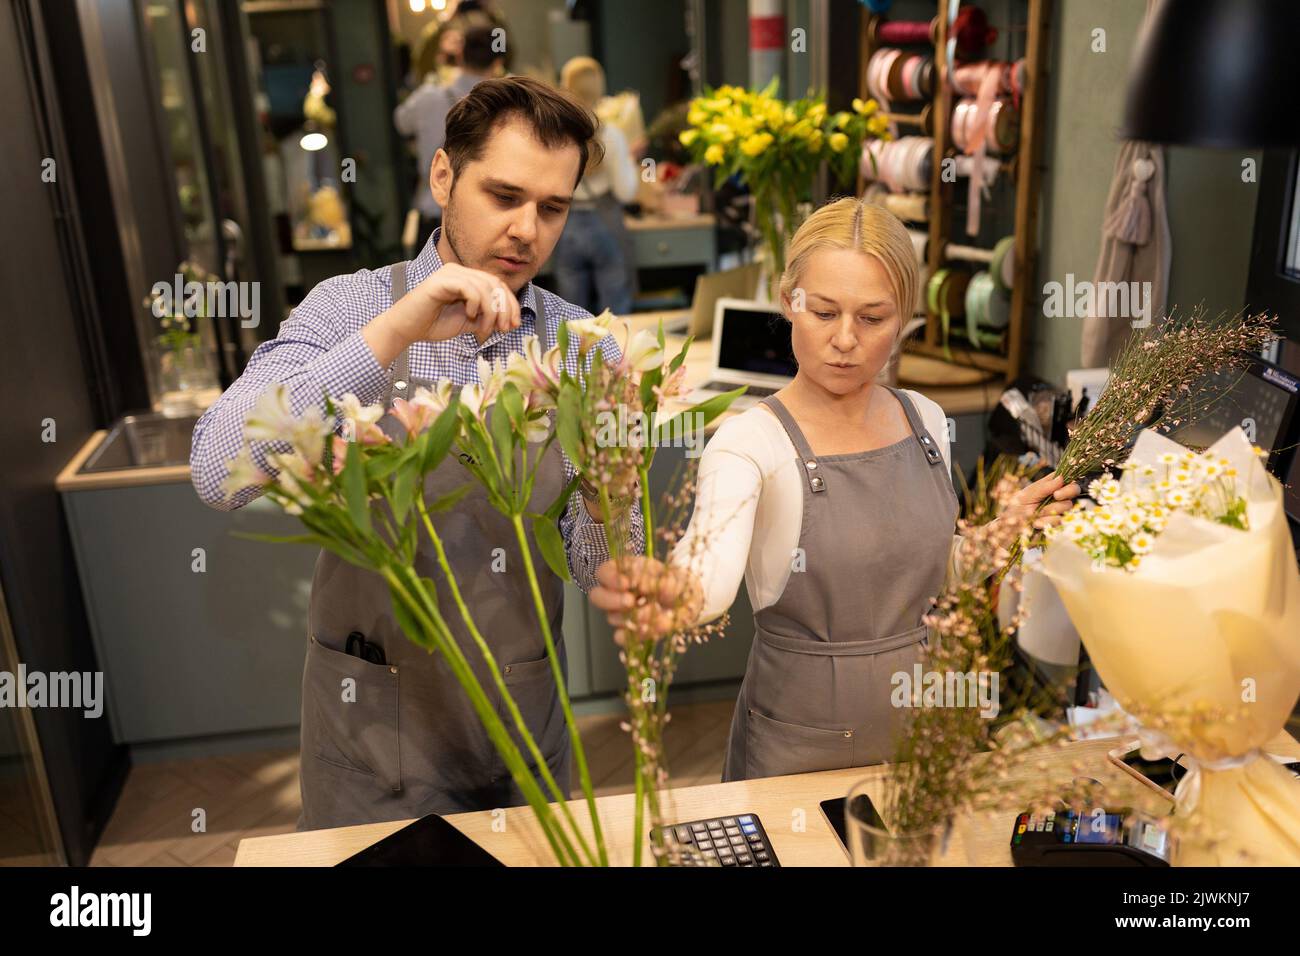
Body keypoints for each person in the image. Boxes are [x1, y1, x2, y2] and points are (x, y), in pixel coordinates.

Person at [191, 76, 643, 830]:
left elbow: (597, 561)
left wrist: (613, 506)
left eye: (552, 207)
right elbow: (217, 472)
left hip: (521, 724)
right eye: (504, 196)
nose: (528, 230)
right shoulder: (349, 308)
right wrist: (392, 335)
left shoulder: (578, 346)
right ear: (443, 177)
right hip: (370, 734)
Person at [589, 197, 1080, 781]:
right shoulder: (750, 442)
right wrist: (673, 591)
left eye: (872, 319)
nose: (845, 339)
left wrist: (998, 537)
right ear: (787, 301)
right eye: (824, 313)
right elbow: (709, 577)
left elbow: (930, 575)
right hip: (798, 747)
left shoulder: (923, 419)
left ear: (906, 320)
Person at [394, 25, 504, 252]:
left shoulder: (429, 95)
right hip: (487, 219)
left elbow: (400, 122)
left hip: (434, 210)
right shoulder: (506, 103)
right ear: (497, 62)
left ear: (460, 55)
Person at [553, 57, 639, 316]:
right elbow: (626, 191)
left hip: (565, 225)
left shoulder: (556, 134)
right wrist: (632, 162)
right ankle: (615, 357)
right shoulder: (611, 135)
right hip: (605, 223)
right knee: (615, 314)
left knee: (569, 315)